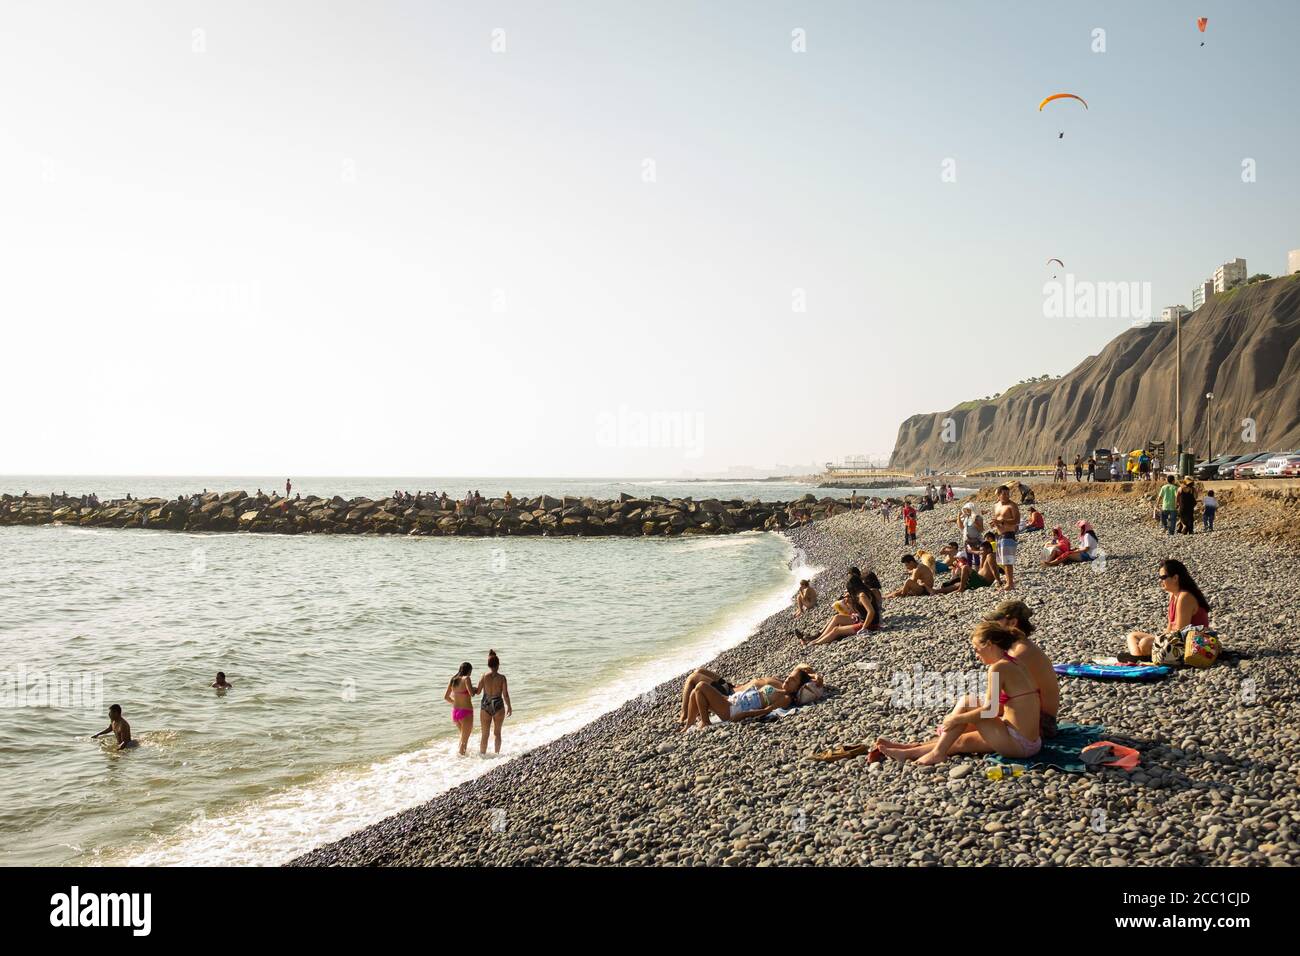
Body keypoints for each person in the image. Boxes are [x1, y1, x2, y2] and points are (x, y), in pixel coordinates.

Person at [873, 621, 1042, 764]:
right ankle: (910, 749)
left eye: (976, 649)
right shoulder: (1014, 663)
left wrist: (957, 718)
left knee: (968, 703)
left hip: (1019, 744)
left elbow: (990, 710)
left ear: (989, 645)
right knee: (961, 740)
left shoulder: (998, 668)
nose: (976, 655)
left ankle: (937, 753)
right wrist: (964, 721)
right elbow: (1000, 708)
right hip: (1031, 741)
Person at [982, 600, 1061, 738]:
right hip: (1036, 719)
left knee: (962, 733)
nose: (991, 627)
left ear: (1013, 623)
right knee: (968, 710)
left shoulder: (1019, 654)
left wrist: (967, 717)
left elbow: (998, 705)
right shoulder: (1022, 647)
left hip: (1038, 725)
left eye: (996, 622)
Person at [681, 664, 820, 729]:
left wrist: (815, 679)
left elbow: (767, 710)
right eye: (790, 676)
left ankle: (696, 720)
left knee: (697, 682)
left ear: (797, 687)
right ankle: (688, 724)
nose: (789, 678)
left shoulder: (786, 696)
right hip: (733, 694)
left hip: (733, 701)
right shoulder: (780, 682)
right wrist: (814, 675)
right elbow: (801, 667)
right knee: (698, 674)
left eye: (793, 680)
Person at [1125, 559, 1211, 660]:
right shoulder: (1173, 595)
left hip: (1190, 645)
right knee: (1132, 636)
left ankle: (1139, 658)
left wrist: (1157, 640)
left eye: (1163, 577)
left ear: (1175, 578)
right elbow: (1170, 626)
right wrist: (1160, 638)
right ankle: (1138, 658)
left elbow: (1180, 632)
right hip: (1175, 639)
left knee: (1145, 643)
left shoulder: (1185, 597)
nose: (1160, 581)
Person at [475, 650, 511, 755]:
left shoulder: (484, 676)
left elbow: (477, 692)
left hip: (485, 705)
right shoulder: (502, 678)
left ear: (488, 665)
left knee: (484, 734)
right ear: (498, 665)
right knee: (497, 733)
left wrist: (469, 689)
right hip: (498, 705)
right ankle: (497, 755)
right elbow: (505, 695)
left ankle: (482, 756)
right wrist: (509, 706)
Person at [991, 484, 1020, 591]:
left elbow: (1017, 521)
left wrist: (1001, 521)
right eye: (1004, 494)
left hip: (1008, 535)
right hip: (999, 535)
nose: (1007, 496)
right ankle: (1008, 581)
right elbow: (999, 519)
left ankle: (1010, 584)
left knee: (1008, 561)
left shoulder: (1012, 506)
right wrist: (995, 523)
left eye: (1008, 494)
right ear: (998, 495)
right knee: (1002, 561)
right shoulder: (996, 505)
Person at [444, 662, 476, 756]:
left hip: (455, 712)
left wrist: (456, 702)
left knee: (462, 737)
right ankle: (461, 759)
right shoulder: (466, 678)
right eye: (471, 671)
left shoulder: (453, 680)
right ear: (469, 670)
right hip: (466, 712)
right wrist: (474, 688)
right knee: (464, 740)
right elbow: (472, 693)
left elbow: (446, 697)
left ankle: (458, 758)